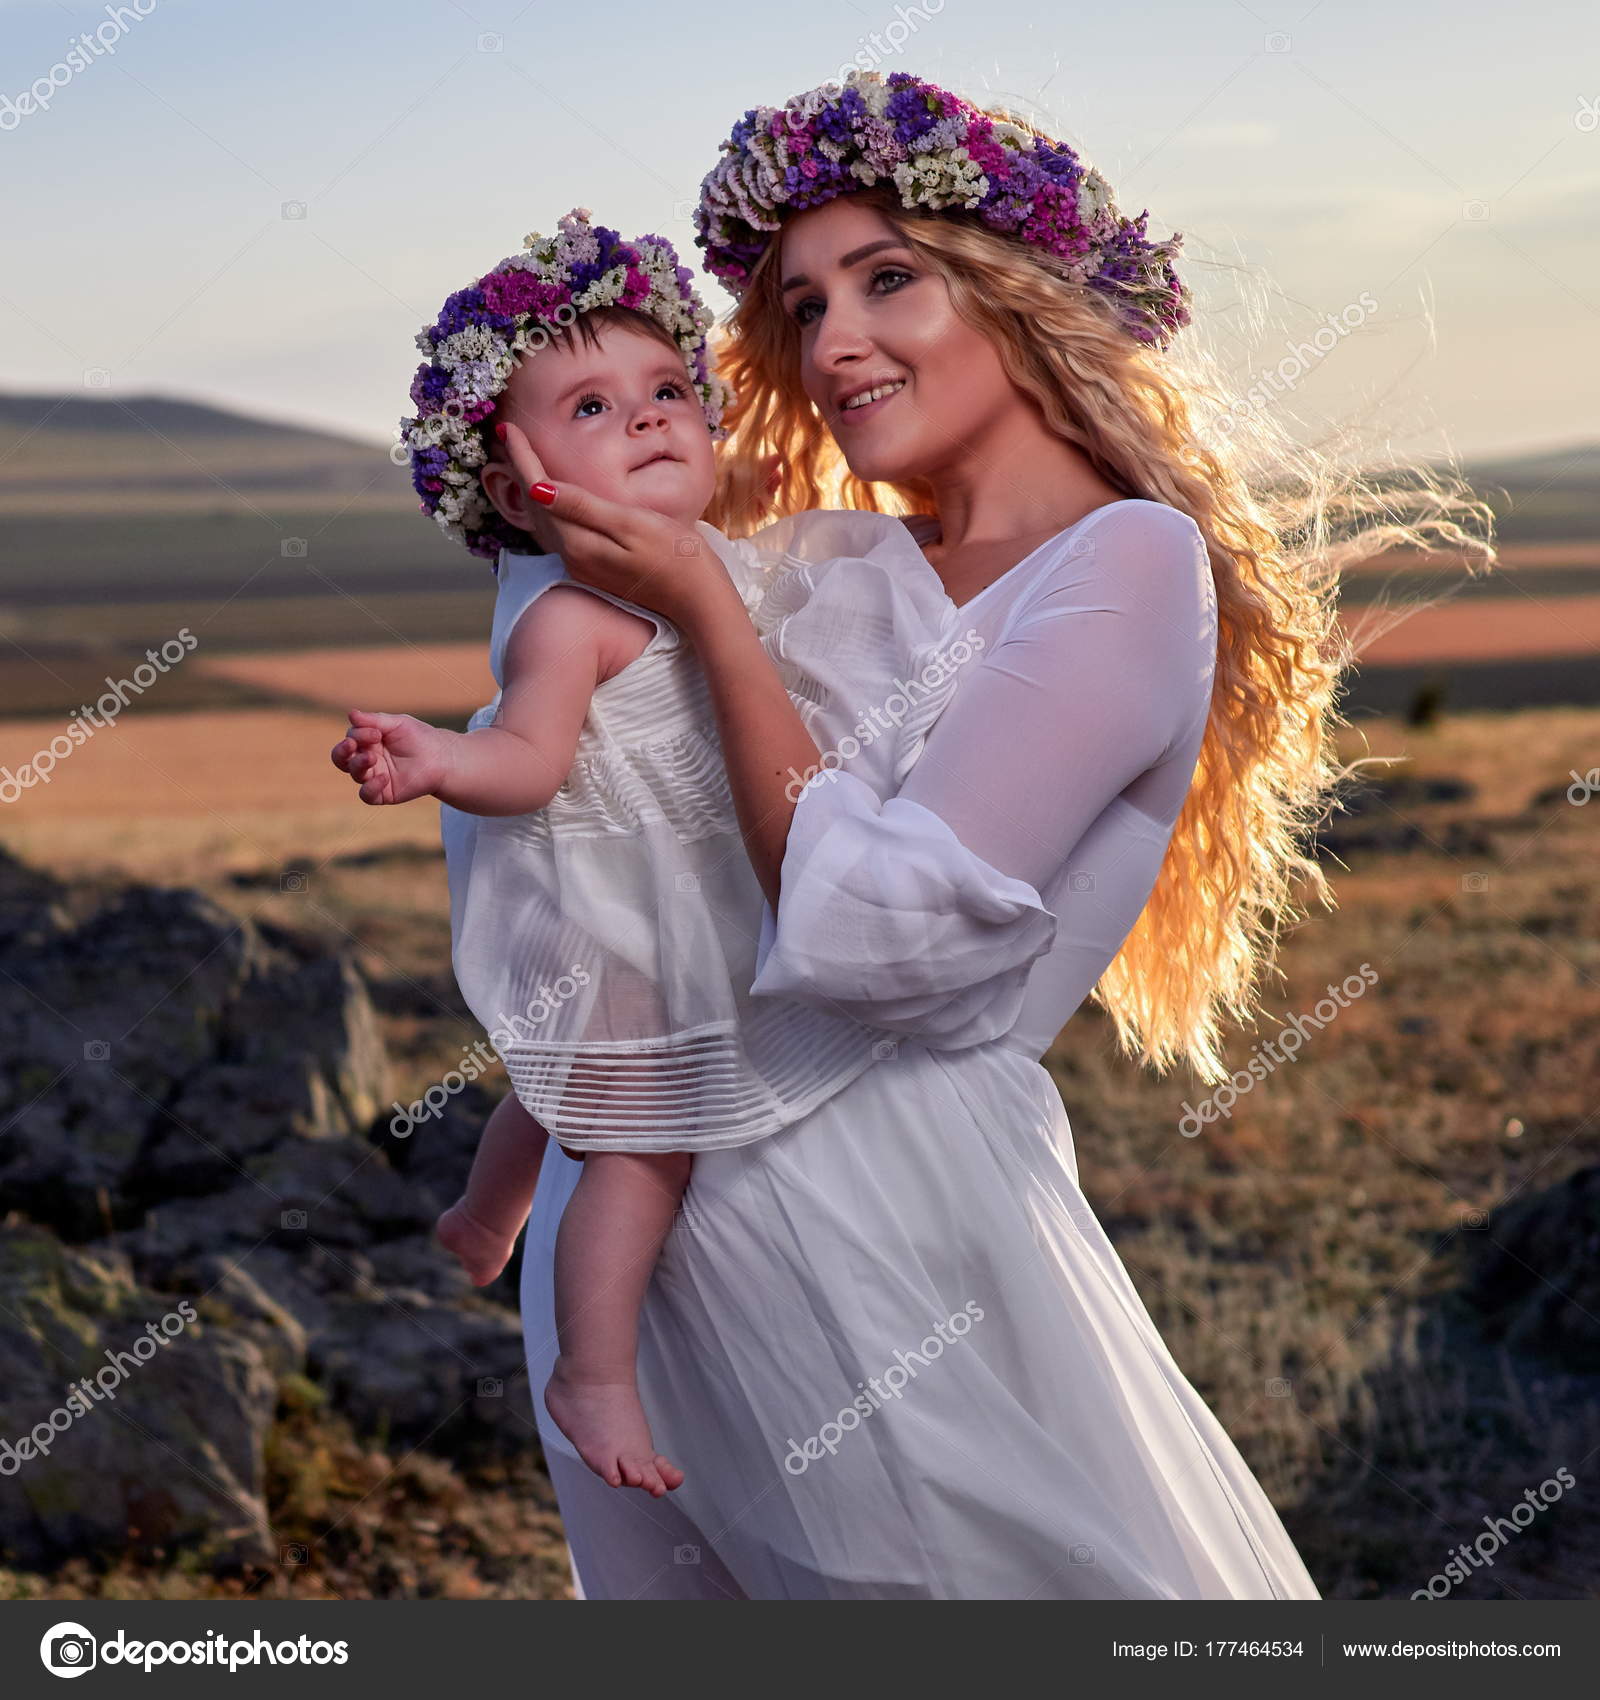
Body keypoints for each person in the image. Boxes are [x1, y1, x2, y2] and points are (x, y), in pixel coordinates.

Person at [500, 71, 1492, 1598]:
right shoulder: (830, 565)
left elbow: (875, 942)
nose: (834, 344)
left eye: (889, 279)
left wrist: (707, 608)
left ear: (1023, 294)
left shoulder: (1129, 564)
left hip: (884, 1230)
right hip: (637, 1227)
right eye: (800, 304)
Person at [330, 207, 983, 1500]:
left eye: (669, 389)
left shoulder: (726, 569)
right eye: (589, 408)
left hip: (692, 893)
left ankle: (482, 1214)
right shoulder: (570, 620)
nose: (647, 418)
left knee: (580, 1063)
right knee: (643, 1136)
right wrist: (435, 760)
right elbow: (522, 761)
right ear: (515, 490)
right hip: (631, 896)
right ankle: (597, 1366)